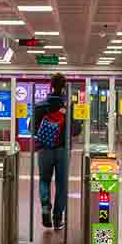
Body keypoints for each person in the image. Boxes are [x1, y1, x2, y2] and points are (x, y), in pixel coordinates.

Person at [32, 73, 80, 230]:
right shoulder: (67, 107)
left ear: (51, 86)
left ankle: (46, 208)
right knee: (61, 184)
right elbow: (76, 130)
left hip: (44, 150)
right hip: (62, 151)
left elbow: (31, 128)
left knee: (44, 180)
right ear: (64, 87)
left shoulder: (40, 106)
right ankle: (58, 218)